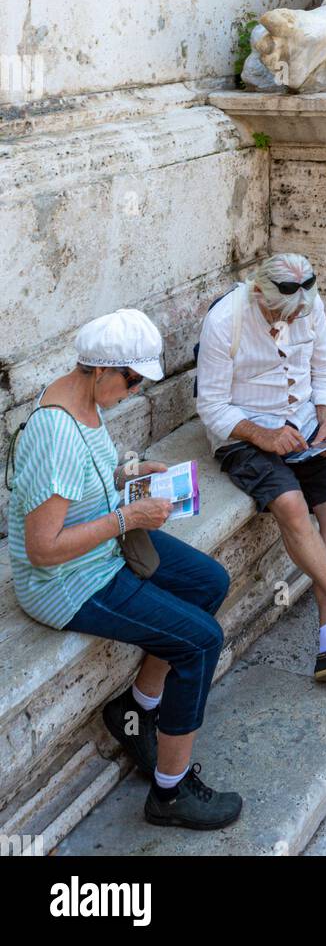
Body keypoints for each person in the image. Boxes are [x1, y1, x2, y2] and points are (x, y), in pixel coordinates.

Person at [7, 308, 241, 831]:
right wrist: (126, 517)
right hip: (67, 582)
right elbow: (43, 549)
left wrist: (131, 476)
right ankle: (170, 794)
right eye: (131, 380)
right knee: (201, 642)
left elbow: (82, 484)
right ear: (98, 369)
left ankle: (137, 709)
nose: (134, 390)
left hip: (104, 548)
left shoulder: (81, 399)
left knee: (210, 582)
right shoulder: (56, 434)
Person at [196, 252, 326, 682]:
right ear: (258, 294)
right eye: (278, 313)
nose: (288, 321)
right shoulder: (223, 322)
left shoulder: (309, 305)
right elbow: (210, 406)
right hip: (245, 434)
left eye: (297, 314)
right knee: (289, 504)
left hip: (307, 426)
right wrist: (262, 435)